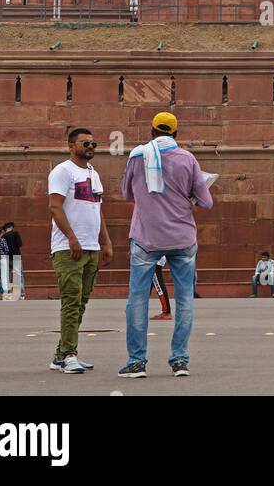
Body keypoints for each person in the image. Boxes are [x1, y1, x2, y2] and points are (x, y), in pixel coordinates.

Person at [119, 111, 214, 379]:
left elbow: (126, 192)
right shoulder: (188, 159)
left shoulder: (138, 156)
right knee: (185, 300)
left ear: (151, 132)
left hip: (147, 238)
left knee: (137, 299)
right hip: (182, 240)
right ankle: (180, 360)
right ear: (176, 134)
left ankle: (137, 362)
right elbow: (206, 202)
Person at [48, 127, 113, 374]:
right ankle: (69, 355)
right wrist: (72, 239)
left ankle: (59, 355)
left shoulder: (93, 173)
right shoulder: (63, 171)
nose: (90, 147)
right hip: (68, 247)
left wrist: (105, 242)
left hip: (90, 246)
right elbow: (55, 207)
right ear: (71, 146)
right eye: (85, 143)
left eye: (93, 144)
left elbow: (97, 209)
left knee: (81, 302)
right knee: (72, 301)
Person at [1, 221, 25, 300]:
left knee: (7, 275)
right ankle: (21, 294)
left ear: (5, 229)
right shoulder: (16, 233)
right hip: (16, 257)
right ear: (11, 227)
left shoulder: (3, 236)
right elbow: (20, 244)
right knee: (18, 275)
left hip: (7, 258)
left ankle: (7, 293)